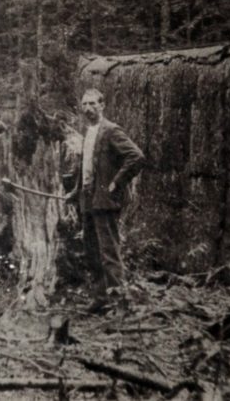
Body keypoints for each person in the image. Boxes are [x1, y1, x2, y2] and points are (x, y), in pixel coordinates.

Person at [65, 88, 145, 312]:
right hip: (87, 200)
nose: (88, 108)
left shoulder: (111, 131)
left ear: (102, 105)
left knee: (109, 251)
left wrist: (116, 183)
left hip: (105, 200)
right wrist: (76, 191)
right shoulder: (88, 131)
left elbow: (136, 156)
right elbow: (87, 167)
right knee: (91, 250)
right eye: (85, 104)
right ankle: (100, 298)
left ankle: (120, 302)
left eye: (93, 104)